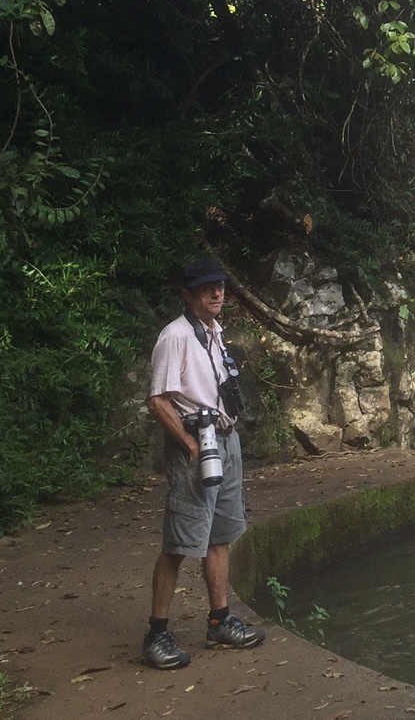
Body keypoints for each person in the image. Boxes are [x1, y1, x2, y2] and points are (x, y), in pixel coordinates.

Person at [141, 258, 265, 670]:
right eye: (208, 288)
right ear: (188, 295)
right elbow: (158, 399)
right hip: (197, 446)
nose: (217, 293)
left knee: (220, 537)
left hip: (225, 441)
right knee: (179, 543)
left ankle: (220, 620)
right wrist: (190, 444)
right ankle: (157, 635)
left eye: (221, 286)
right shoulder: (175, 336)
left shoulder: (213, 332)